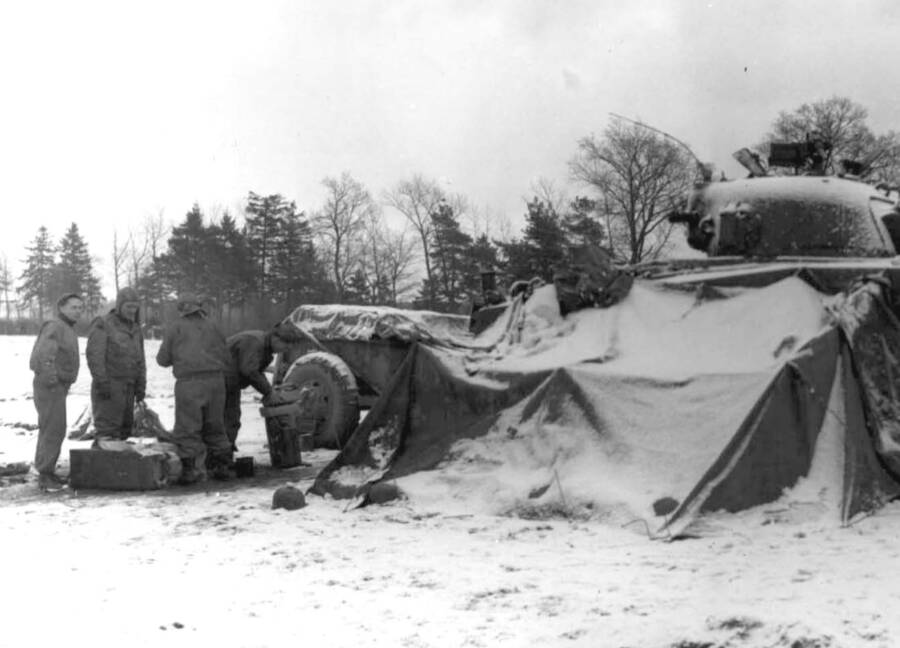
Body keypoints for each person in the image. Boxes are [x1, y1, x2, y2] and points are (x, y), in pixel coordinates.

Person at [156, 293, 232, 482]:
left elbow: (162, 360)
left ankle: (191, 471)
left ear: (182, 309)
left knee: (188, 427)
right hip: (216, 382)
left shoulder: (176, 328)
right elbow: (226, 355)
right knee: (216, 425)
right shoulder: (214, 325)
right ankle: (223, 467)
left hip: (190, 383)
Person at [30, 293, 84, 492]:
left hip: (56, 385)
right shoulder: (55, 326)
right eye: (73, 307)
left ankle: (45, 470)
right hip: (50, 386)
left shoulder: (66, 327)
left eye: (80, 307)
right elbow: (43, 356)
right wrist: (53, 381)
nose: (78, 311)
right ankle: (45, 475)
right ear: (61, 307)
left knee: (50, 428)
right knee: (54, 429)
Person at [224, 323, 301, 451]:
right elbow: (249, 370)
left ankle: (224, 454)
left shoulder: (264, 347)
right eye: (285, 345)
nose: (286, 349)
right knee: (223, 420)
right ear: (276, 338)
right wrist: (268, 392)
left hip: (229, 382)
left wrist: (269, 391)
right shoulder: (255, 342)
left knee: (232, 419)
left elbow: (256, 371)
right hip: (217, 381)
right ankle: (219, 457)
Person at [85, 287, 146, 441]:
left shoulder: (136, 328)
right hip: (110, 386)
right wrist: (102, 382)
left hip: (129, 387)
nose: (132, 311)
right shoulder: (104, 324)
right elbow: (95, 356)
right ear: (119, 306)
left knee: (125, 430)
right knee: (107, 431)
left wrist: (141, 385)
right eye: (128, 306)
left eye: (135, 307)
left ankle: (119, 463)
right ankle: (101, 462)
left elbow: (141, 359)